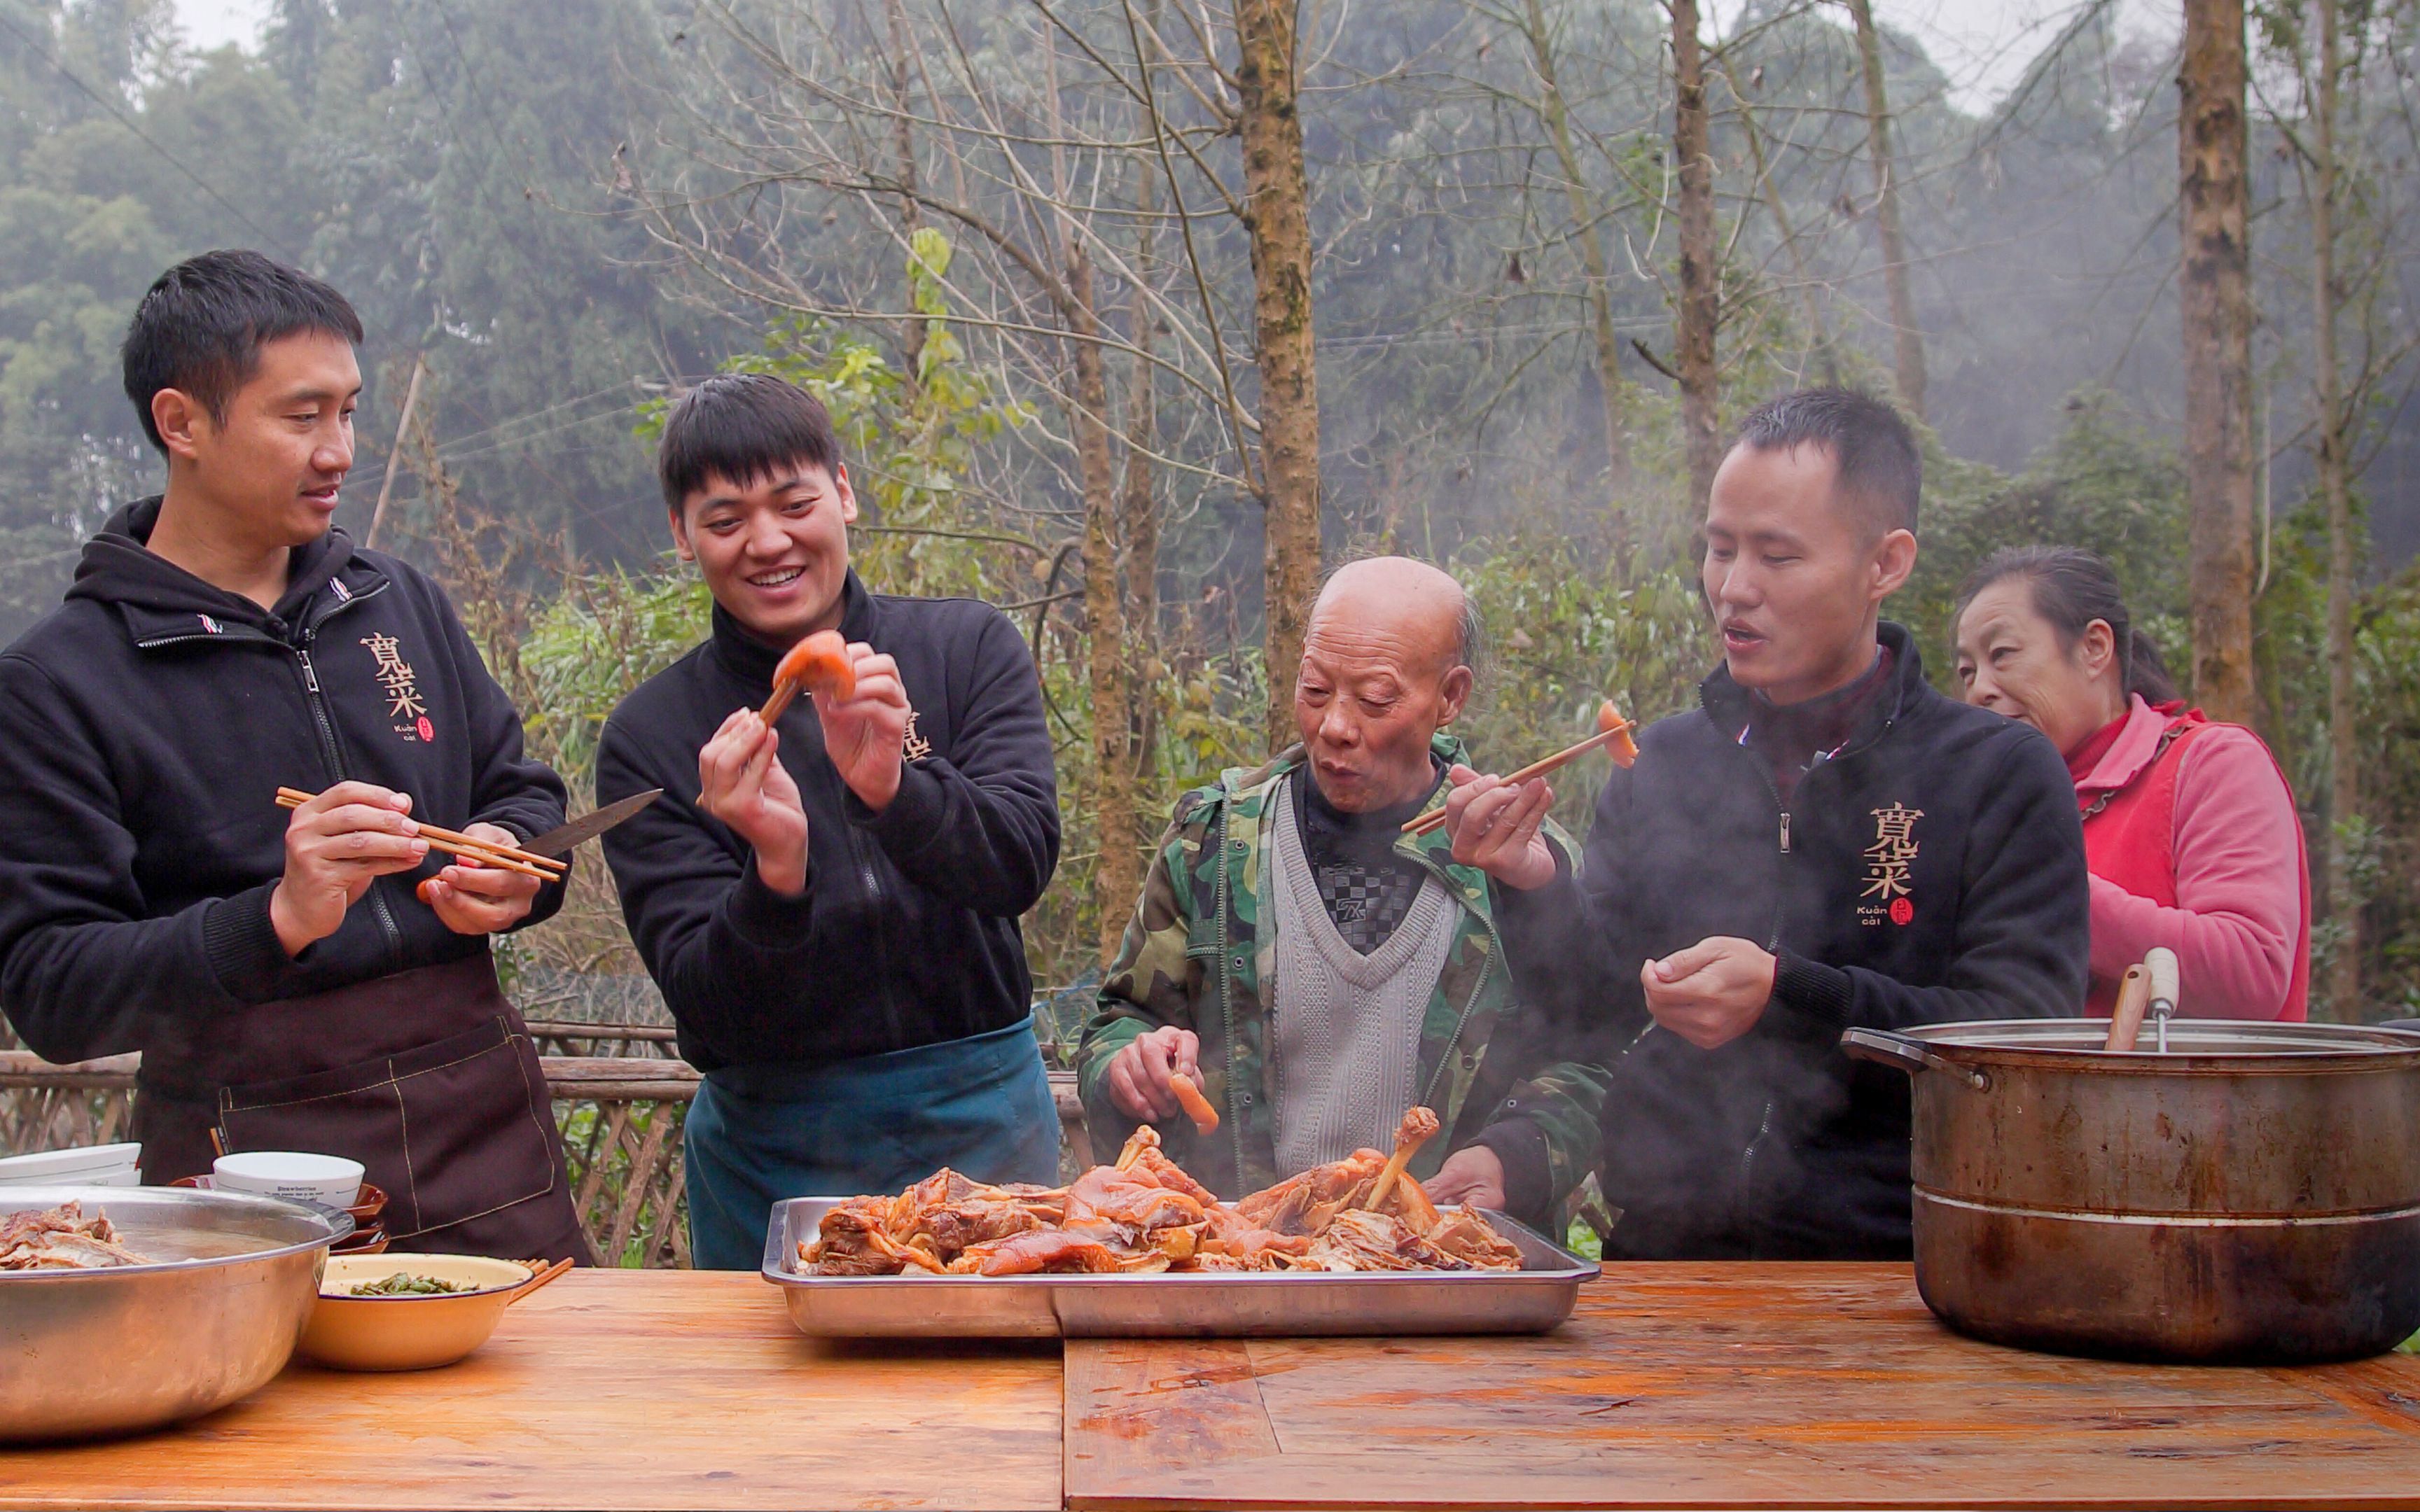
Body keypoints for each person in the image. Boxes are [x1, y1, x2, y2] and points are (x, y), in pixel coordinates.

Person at [0, 250, 587, 1261]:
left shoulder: (394, 600)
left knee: (545, 1404)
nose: (340, 450)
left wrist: (509, 855)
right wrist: (275, 917)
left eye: (349, 412)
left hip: (482, 1113)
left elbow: (519, 787)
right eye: (301, 416)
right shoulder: (62, 681)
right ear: (181, 423)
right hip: (245, 1157)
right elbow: (53, 989)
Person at [1442, 388, 2089, 1260]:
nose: (1733, 590)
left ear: (1885, 563)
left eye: (1777, 556)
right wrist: (1534, 885)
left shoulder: (1996, 771)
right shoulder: (1663, 762)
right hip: (1667, 1263)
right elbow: (1588, 1009)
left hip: (1908, 1275)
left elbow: (2024, 1045)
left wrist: (1791, 996)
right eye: (1719, 550)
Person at [595, 372, 1062, 1270]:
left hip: (982, 1117)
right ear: (682, 536)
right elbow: (706, 1004)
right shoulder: (651, 735)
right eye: (725, 520)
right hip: (774, 1138)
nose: (767, 542)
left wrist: (896, 790)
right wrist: (775, 871)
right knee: (773, 1406)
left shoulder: (964, 650)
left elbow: (1020, 863)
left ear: (843, 493)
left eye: (793, 503)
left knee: (990, 1403)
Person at [1078, 557, 1606, 1232]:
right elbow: (1119, 1020)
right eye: (1316, 689)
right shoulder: (1211, 843)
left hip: (1443, 1270)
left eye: (1375, 699)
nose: (1335, 726)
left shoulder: (1520, 860)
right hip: (1246, 1260)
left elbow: (1593, 1052)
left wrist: (1520, 1158)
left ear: (1450, 696)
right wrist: (1130, 1064)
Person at [1953, 547, 2309, 1021]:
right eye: (1967, 671)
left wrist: (2048, 893)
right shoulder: (1986, 809)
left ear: (2095, 648)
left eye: (2002, 655)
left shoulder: (2211, 761)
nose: (1979, 690)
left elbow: (2250, 974)